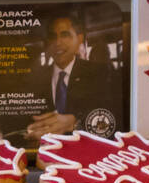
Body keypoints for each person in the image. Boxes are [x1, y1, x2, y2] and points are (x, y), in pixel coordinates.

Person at [25, 12, 121, 141]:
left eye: (65, 35)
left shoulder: (101, 73)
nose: (57, 42)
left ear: (80, 38)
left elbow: (116, 119)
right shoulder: (33, 79)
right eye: (52, 36)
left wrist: (74, 123)